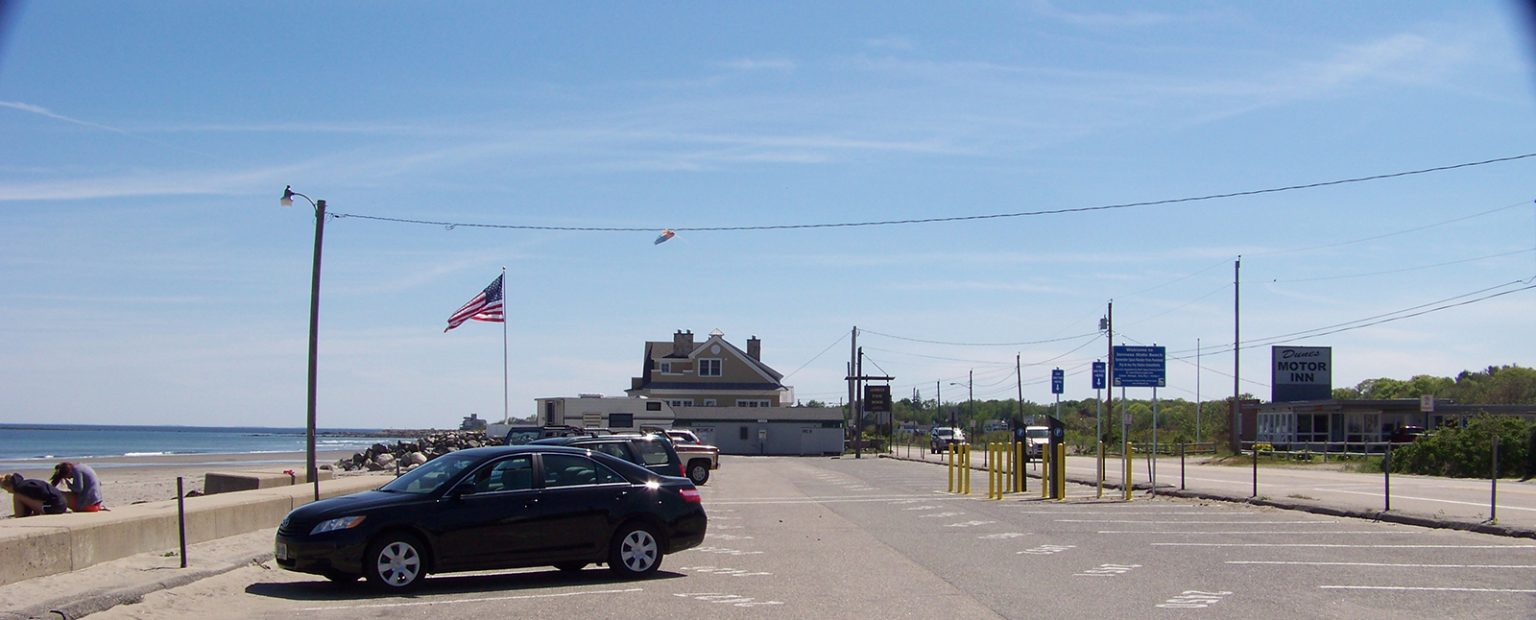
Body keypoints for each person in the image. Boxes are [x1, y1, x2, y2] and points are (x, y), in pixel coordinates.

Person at [2, 472, 67, 517]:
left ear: (9, 486)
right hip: (61, 505)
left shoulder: (20, 488)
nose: (8, 492)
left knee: (17, 496)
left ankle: (18, 516)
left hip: (56, 507)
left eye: (6, 489)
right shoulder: (26, 483)